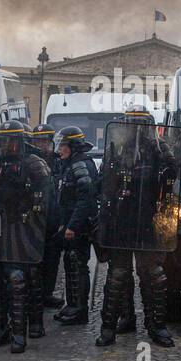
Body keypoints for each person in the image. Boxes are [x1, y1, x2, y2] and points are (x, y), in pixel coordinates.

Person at [96, 105, 179, 347]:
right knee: (117, 275)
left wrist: (165, 165)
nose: (136, 130)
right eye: (132, 124)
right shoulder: (116, 149)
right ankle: (110, 327)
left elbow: (171, 177)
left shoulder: (159, 149)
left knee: (153, 275)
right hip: (122, 220)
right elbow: (104, 184)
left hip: (148, 220)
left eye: (140, 124)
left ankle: (157, 326)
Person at [0, 121, 52, 354]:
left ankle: (21, 331)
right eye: (4, 140)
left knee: (19, 277)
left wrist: (38, 225)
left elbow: (46, 199)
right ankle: (0, 327)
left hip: (23, 227)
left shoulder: (34, 164)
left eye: (11, 140)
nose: (7, 145)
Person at [53, 126, 99, 327]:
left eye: (63, 145)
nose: (59, 149)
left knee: (78, 265)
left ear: (72, 146)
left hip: (79, 226)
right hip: (70, 223)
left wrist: (72, 226)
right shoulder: (70, 164)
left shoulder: (80, 165)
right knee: (71, 265)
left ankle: (80, 309)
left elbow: (85, 200)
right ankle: (71, 305)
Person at [29, 124, 64, 315]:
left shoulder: (59, 161)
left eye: (44, 141)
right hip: (35, 219)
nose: (41, 145)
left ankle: (47, 294)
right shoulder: (31, 161)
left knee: (52, 261)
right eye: (37, 141)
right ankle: (33, 296)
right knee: (34, 261)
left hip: (54, 219)